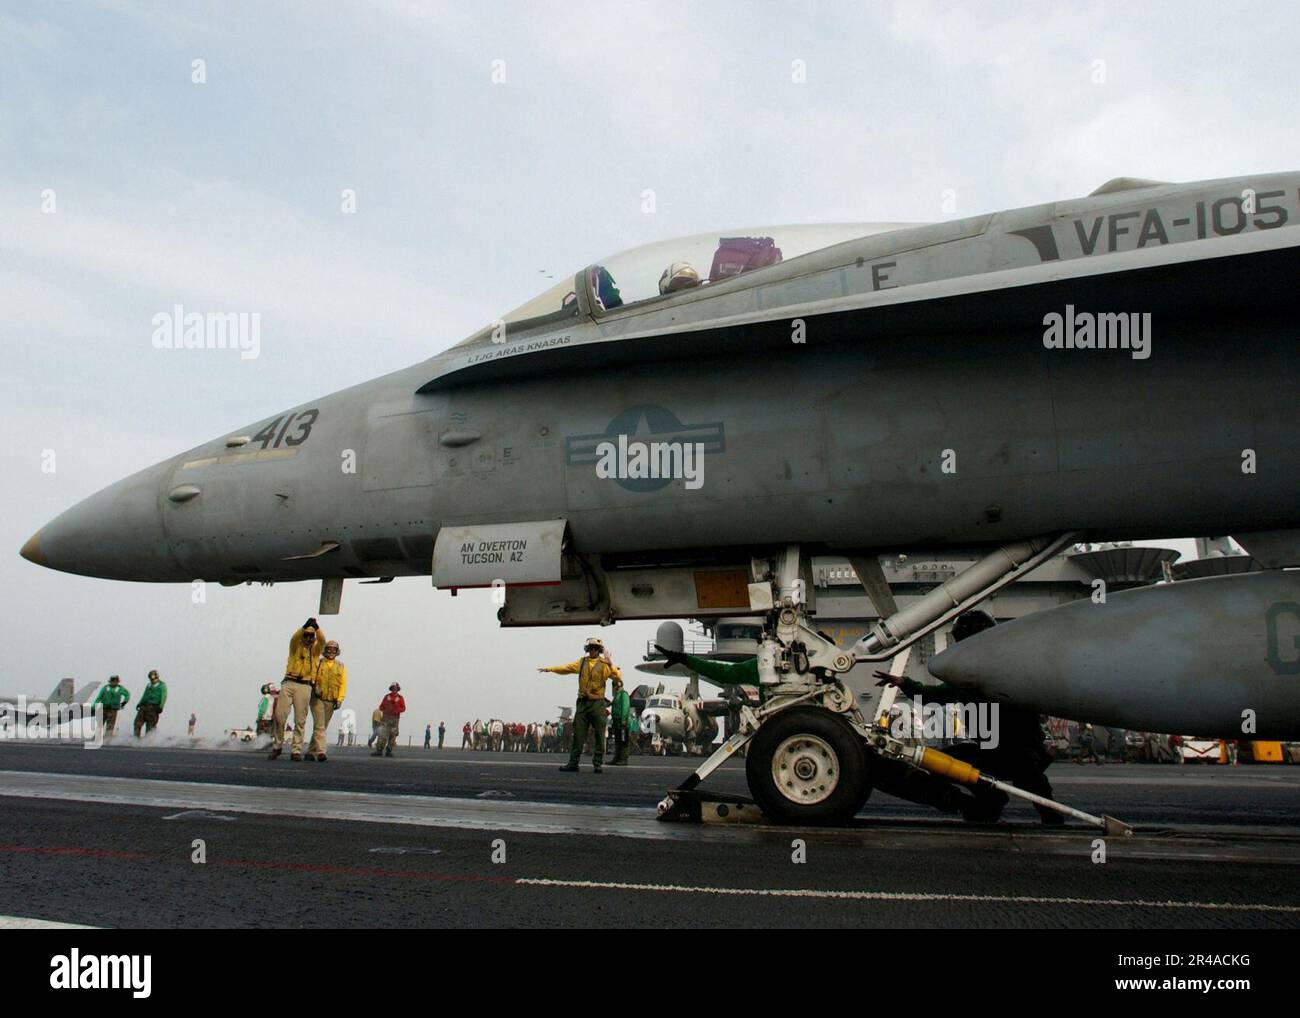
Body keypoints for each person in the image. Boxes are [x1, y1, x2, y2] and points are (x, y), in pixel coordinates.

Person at [876, 610, 1062, 826]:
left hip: (1021, 750)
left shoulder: (1004, 672)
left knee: (1028, 776)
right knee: (945, 764)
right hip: (993, 750)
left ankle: (1047, 816)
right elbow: (933, 695)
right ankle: (992, 801)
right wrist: (904, 683)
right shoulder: (974, 676)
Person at [538, 637, 621, 773]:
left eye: (595, 648)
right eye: (591, 648)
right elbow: (566, 668)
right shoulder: (582, 662)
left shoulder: (605, 665)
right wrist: (550, 669)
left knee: (600, 734)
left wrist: (610, 663)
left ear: (599, 650)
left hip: (597, 703)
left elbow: (618, 677)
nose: (593, 650)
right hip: (582, 702)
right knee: (578, 734)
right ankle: (573, 762)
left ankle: (598, 763)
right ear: (587, 649)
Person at [270, 618, 324, 761]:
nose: (307, 638)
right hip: (289, 682)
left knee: (300, 720)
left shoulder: (315, 652)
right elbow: (294, 637)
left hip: (305, 685)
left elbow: (323, 641)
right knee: (280, 716)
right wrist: (304, 626)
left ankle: (296, 750)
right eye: (305, 635)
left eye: (310, 636)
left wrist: (316, 628)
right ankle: (277, 746)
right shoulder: (295, 647)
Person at [305, 639, 346, 762]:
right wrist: (315, 687)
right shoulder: (318, 663)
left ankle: (310, 752)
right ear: (325, 650)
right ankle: (321, 751)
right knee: (319, 725)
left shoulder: (340, 666)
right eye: (329, 648)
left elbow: (343, 683)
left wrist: (340, 699)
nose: (331, 651)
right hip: (317, 699)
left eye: (334, 649)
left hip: (331, 700)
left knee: (322, 727)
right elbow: (311, 676)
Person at [373, 683, 406, 757]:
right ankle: (379, 750)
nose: (394, 689)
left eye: (396, 688)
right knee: (382, 734)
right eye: (393, 688)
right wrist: (385, 709)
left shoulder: (400, 698)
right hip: (385, 718)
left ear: (397, 689)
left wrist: (397, 710)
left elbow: (403, 708)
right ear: (391, 689)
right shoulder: (386, 697)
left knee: (393, 735)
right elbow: (381, 706)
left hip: (395, 719)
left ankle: (389, 751)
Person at [133, 670, 167, 737]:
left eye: (153, 676)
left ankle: (148, 741)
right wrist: (140, 703)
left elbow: (164, 696)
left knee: (150, 726)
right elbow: (145, 695)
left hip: (154, 707)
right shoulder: (149, 685)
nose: (151, 679)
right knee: (137, 723)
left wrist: (161, 706)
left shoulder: (161, 685)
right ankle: (136, 739)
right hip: (144, 706)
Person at [610, 677, 631, 765]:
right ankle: (617, 758)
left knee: (623, 741)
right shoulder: (617, 695)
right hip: (616, 722)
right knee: (618, 741)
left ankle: (623, 759)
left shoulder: (623, 694)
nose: (613, 688)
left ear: (617, 686)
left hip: (623, 723)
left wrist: (623, 721)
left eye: (613, 686)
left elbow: (625, 708)